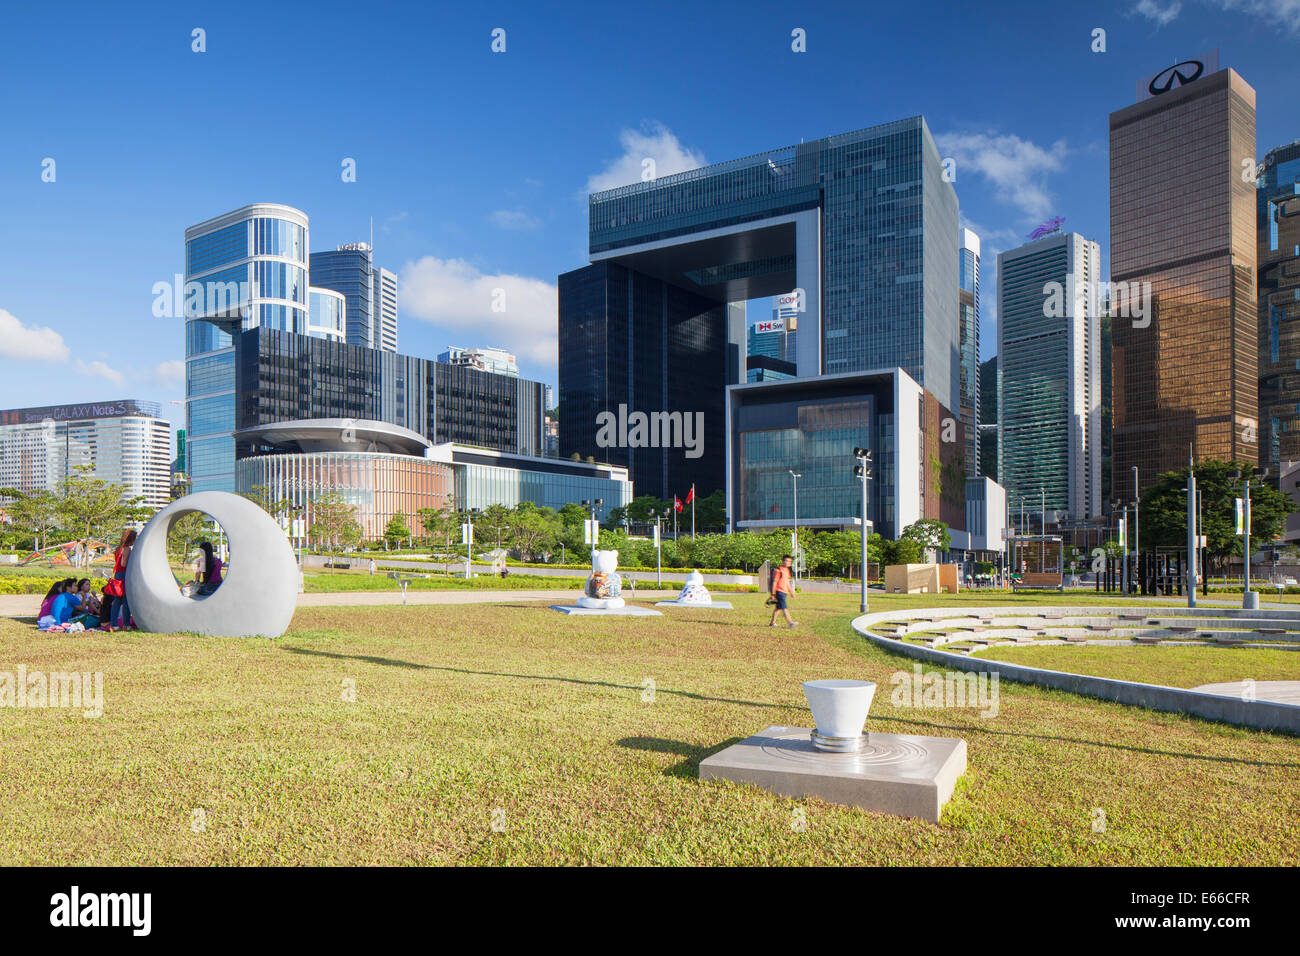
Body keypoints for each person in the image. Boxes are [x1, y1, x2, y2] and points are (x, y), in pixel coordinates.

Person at [105, 529, 136, 631]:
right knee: (125, 601)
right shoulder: (127, 549)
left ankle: (114, 624)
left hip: (118, 574)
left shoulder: (119, 548)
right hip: (124, 574)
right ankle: (126, 624)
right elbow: (123, 564)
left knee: (117, 601)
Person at [768, 554, 798, 628]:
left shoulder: (787, 570)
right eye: (786, 560)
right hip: (779, 591)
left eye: (789, 561)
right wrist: (773, 594)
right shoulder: (778, 570)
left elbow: (787, 582)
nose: (787, 562)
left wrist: (791, 592)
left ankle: (772, 623)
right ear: (783, 561)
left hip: (784, 592)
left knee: (778, 608)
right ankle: (790, 622)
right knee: (784, 607)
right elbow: (775, 582)